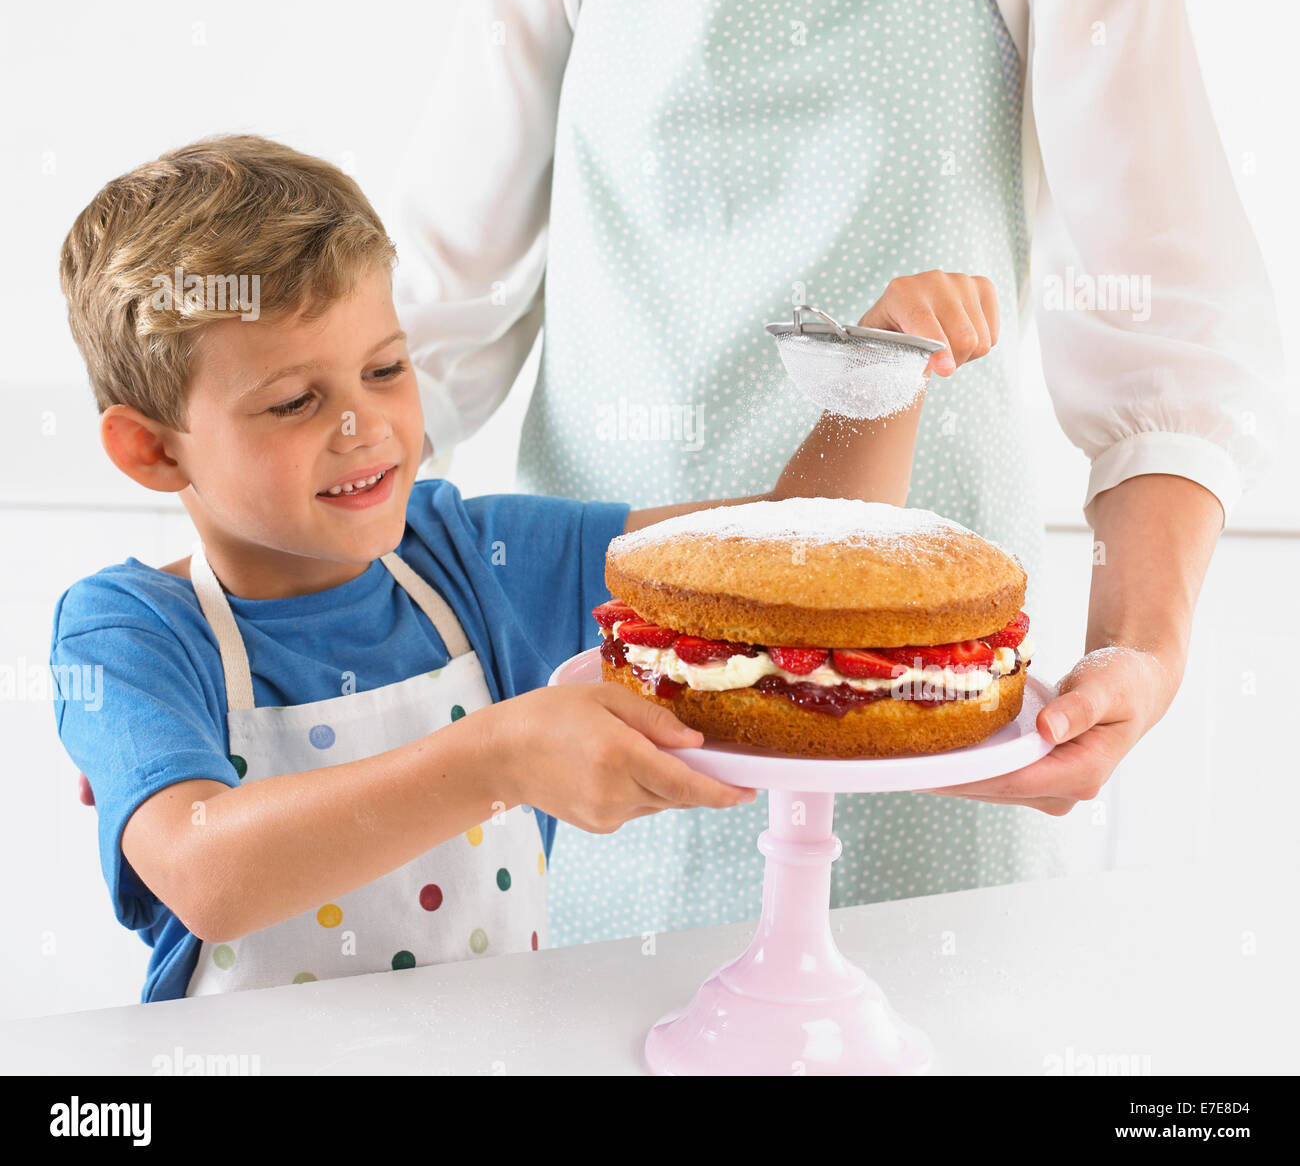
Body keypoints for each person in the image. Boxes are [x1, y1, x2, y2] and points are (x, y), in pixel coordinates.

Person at [391, 0, 1284, 946]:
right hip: (605, 667)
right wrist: (259, 638)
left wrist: (1139, 657)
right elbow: (432, 322)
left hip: (918, 684)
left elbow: (1166, 328)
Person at [50, 132, 994, 1000]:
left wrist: (880, 373)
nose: (366, 426)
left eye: (386, 370)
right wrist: (497, 756)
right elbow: (210, 875)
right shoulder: (128, 630)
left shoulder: (477, 559)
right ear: (152, 451)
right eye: (295, 401)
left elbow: (797, 557)